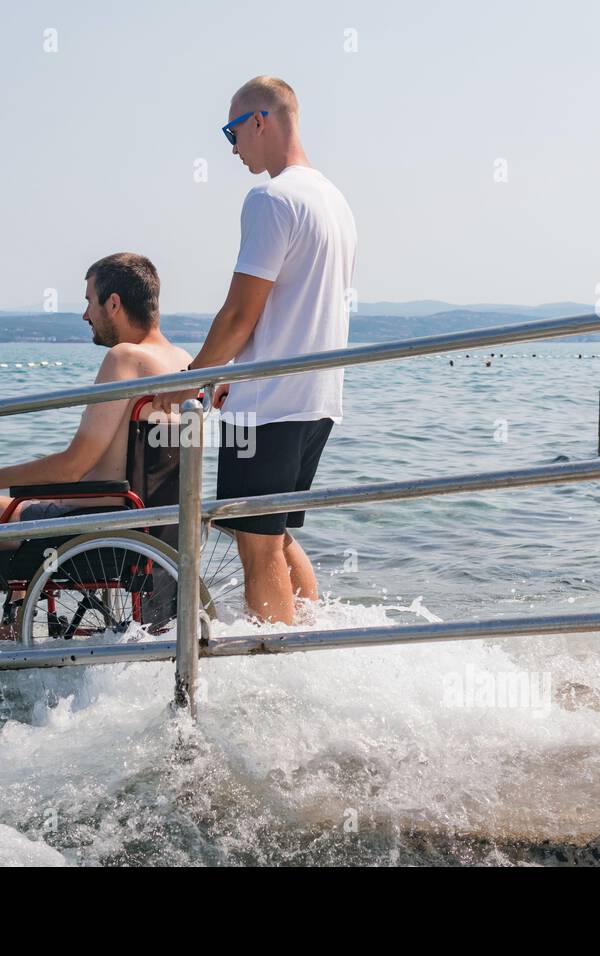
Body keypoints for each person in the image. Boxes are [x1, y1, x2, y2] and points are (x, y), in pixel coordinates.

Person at [156, 76, 357, 625]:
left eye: (232, 132)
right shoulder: (334, 200)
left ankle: (277, 658)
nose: (232, 148)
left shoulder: (271, 198)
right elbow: (293, 312)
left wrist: (191, 378)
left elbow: (242, 312)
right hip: (317, 399)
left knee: (257, 544)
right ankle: (311, 634)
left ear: (260, 121)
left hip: (270, 405)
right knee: (276, 533)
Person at [0, 253, 193, 639]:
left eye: (88, 301)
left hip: (100, 525)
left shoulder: (124, 358)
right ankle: (15, 617)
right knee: (24, 503)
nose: (85, 314)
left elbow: (75, 466)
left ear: (114, 303)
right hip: (160, 528)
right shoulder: (184, 361)